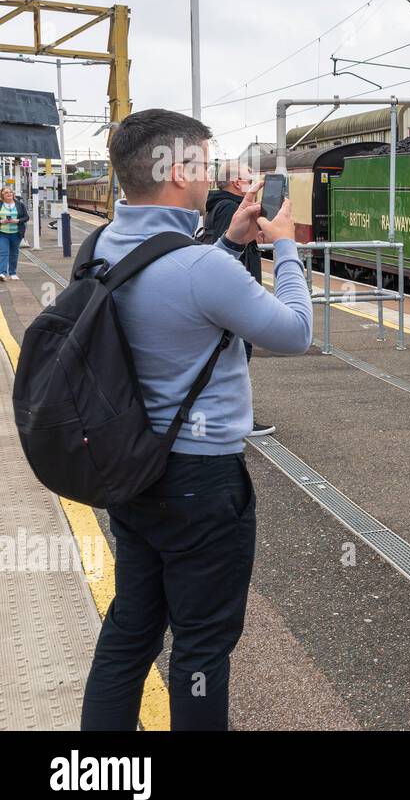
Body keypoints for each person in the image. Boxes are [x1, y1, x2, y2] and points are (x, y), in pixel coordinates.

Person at [79, 108, 313, 731]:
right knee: (201, 651)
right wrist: (284, 245)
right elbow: (295, 332)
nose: (211, 178)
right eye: (205, 166)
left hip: (130, 468)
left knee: (131, 629)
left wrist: (231, 241)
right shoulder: (198, 268)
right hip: (201, 483)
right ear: (178, 170)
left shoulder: (102, 245)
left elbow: (172, 282)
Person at [204, 164, 275, 437]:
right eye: (249, 178)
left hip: (232, 293)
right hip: (235, 295)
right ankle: (237, 419)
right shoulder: (228, 208)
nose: (254, 183)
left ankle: (233, 416)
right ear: (236, 183)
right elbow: (228, 253)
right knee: (237, 356)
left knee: (234, 355)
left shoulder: (220, 205)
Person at [0, 186, 26, 281]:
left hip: (16, 233)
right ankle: (2, 273)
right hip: (2, 233)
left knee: (14, 253)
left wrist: (17, 220)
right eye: (6, 192)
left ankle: (12, 273)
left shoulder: (19, 204)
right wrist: (1, 221)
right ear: (2, 195)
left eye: (10, 192)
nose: (9, 194)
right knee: (3, 252)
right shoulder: (0, 204)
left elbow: (26, 217)